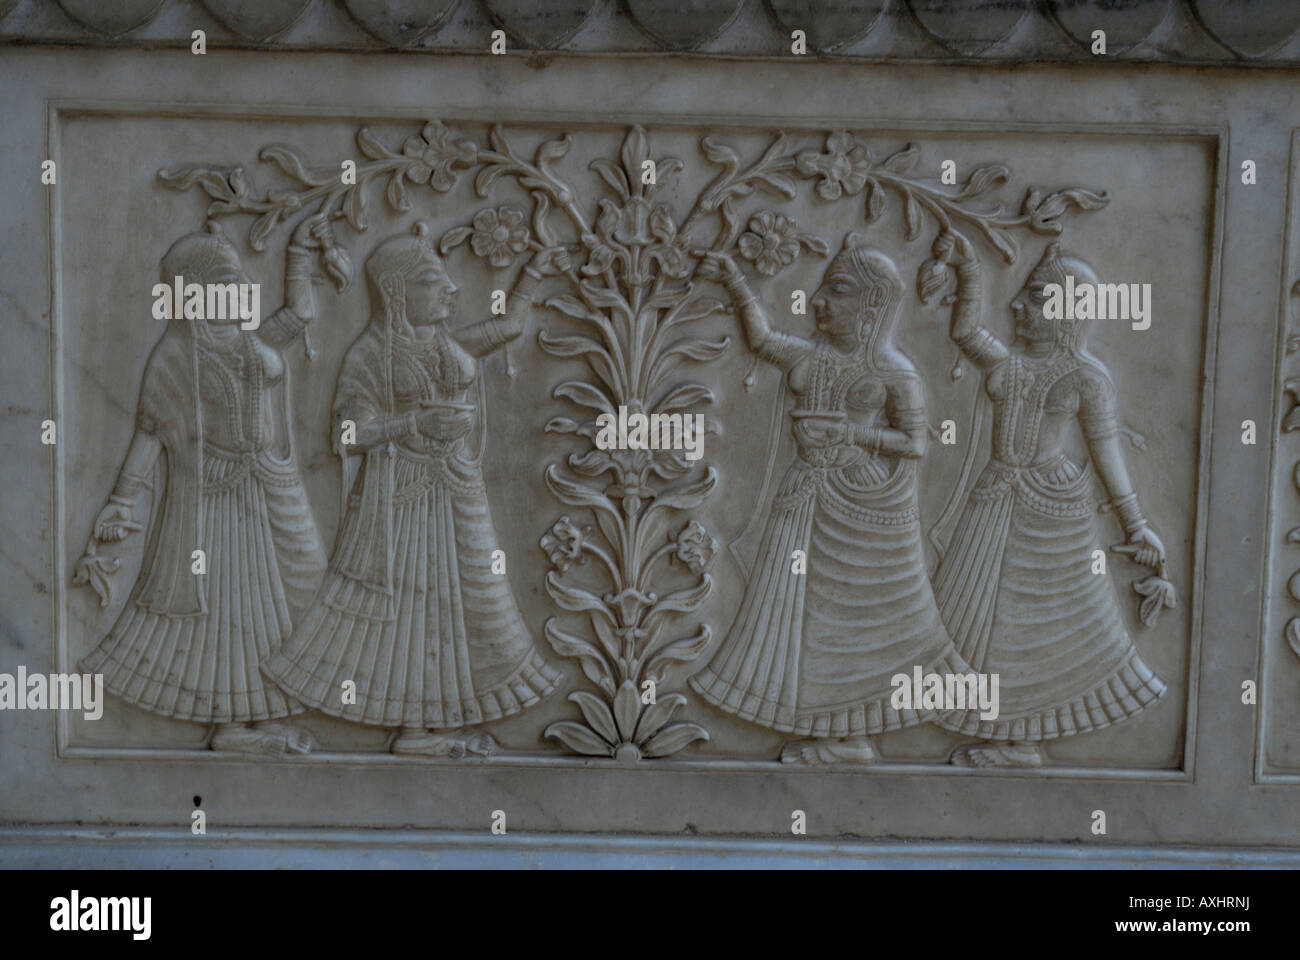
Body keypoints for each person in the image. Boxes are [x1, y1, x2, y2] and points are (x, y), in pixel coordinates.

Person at [263, 223, 566, 757]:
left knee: (461, 609)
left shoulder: (449, 344)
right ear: (398, 292)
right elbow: (347, 435)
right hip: (401, 506)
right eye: (435, 280)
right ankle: (413, 731)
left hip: (455, 498)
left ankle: (435, 724)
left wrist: (537, 267)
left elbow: (511, 325)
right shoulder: (369, 356)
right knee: (414, 614)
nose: (451, 289)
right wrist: (410, 425)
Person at [689, 234, 973, 764]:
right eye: (822, 289)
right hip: (807, 497)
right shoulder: (812, 356)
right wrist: (733, 279)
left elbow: (915, 443)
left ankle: (855, 737)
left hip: (864, 508)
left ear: (872, 307)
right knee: (807, 617)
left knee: (859, 623)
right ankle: (827, 731)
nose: (818, 300)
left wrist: (852, 434)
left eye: (836, 290)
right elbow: (763, 340)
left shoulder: (895, 372)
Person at [79, 216, 331, 757]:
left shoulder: (249, 342)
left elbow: (302, 314)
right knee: (224, 613)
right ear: (194, 296)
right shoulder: (174, 357)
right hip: (211, 501)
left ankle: (256, 717)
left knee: (272, 606)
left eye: (240, 279)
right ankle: (230, 727)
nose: (242, 288)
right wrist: (122, 499)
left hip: (263, 492)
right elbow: (149, 436)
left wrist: (299, 256)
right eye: (227, 282)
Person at [932, 238, 1167, 767]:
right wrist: (968, 268)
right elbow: (966, 331)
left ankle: (1024, 742)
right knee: (977, 615)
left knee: (1038, 625)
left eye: (1034, 297)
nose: (1016, 304)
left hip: (1050, 507)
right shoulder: (1011, 365)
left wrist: (1136, 525)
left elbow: (1107, 456)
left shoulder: (1087, 378)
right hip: (995, 499)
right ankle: (1000, 731)